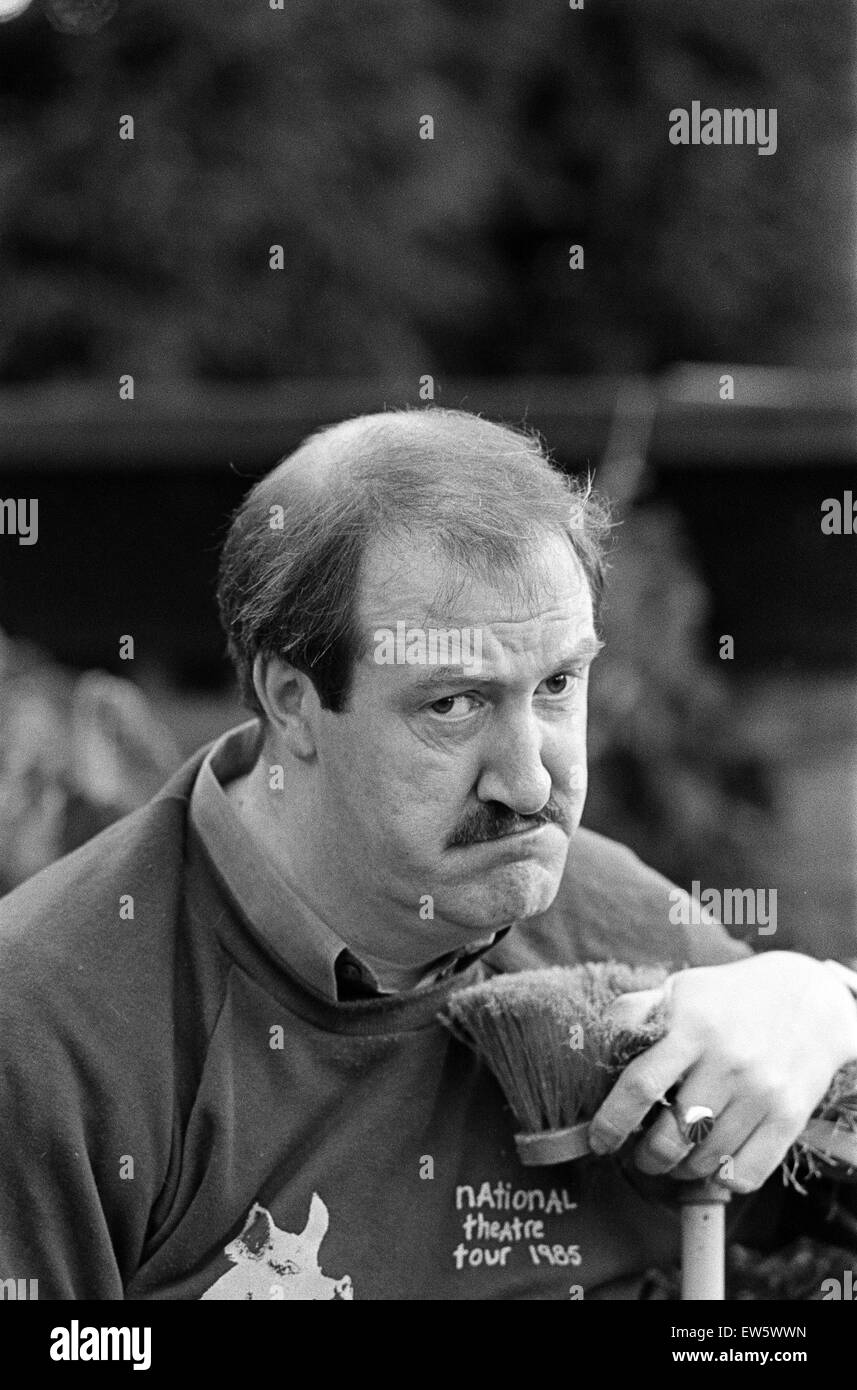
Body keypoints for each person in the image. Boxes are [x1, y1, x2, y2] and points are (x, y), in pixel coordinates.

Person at [1, 407, 856, 1301]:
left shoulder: (614, 923)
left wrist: (825, 1007)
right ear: (292, 701)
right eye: (453, 704)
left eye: (558, 685)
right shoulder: (46, 1031)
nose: (529, 785)